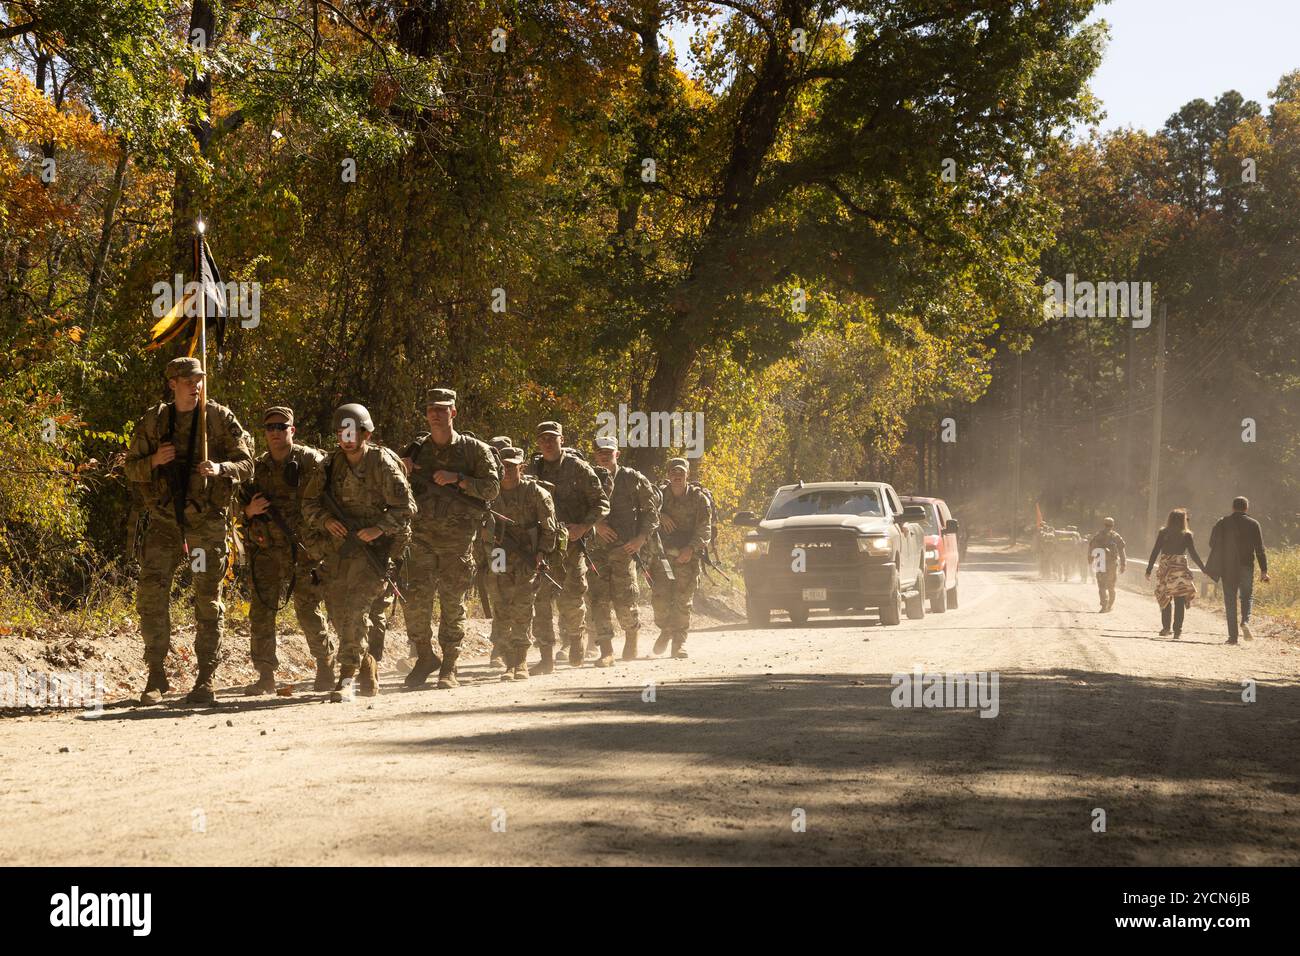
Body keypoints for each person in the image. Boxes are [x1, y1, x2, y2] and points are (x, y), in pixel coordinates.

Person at [125, 357, 254, 706]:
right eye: (187, 381)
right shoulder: (155, 420)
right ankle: (156, 674)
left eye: (198, 379)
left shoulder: (218, 418)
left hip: (204, 524)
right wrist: (154, 461)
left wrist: (221, 467)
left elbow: (247, 463)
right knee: (152, 594)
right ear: (172, 384)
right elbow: (130, 468)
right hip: (165, 523)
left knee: (207, 598)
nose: (195, 386)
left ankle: (206, 678)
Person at [301, 403, 414, 702]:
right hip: (339, 551)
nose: (347, 438)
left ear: (366, 433)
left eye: (353, 431)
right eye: (342, 432)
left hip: (374, 552)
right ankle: (366, 664)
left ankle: (346, 678)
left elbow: (406, 508)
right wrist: (325, 520)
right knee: (338, 615)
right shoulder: (329, 465)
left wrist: (378, 528)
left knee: (355, 611)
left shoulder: (382, 462)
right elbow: (308, 504)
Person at [399, 388, 501, 689]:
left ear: (453, 412)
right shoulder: (417, 449)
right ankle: (425, 656)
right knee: (415, 602)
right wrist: (402, 471)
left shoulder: (473, 450)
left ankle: (450, 665)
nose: (436, 414)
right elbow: (395, 489)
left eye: (442, 409)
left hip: (457, 541)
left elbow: (493, 488)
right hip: (420, 539)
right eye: (431, 409)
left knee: (452, 603)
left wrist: (458, 479)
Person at [238, 406, 332, 693]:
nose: (276, 432)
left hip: (303, 550)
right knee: (262, 612)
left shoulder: (311, 461)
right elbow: (232, 502)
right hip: (266, 549)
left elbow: (332, 495)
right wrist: (248, 510)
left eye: (282, 427)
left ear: (293, 430)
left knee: (307, 610)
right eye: (270, 428)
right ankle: (266, 675)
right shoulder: (257, 467)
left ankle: (326, 666)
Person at [526, 421, 608, 673]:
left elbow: (602, 504)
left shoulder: (579, 469)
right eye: (543, 439)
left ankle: (575, 639)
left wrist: (583, 527)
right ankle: (547, 657)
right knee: (540, 600)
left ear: (562, 439)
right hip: (543, 545)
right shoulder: (534, 469)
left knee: (572, 597)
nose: (548, 443)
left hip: (572, 544)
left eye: (552, 438)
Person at [487, 446, 559, 680]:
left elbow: (550, 529)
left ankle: (520, 661)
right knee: (501, 605)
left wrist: (541, 553)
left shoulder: (536, 493)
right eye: (503, 466)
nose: (507, 470)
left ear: (522, 467)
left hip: (528, 556)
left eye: (511, 465)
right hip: (500, 555)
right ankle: (508, 660)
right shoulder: (491, 493)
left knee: (522, 606)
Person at [588, 436, 660, 665]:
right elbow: (574, 509)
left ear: (617, 454)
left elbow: (651, 513)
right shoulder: (587, 478)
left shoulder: (632, 479)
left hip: (624, 549)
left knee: (625, 598)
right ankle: (606, 651)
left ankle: (631, 638)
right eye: (600, 451)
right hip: (595, 549)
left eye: (609, 451)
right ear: (595, 454)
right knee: (598, 599)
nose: (604, 455)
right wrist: (595, 525)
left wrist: (640, 539)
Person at [651, 458, 712, 658]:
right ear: (668, 475)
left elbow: (705, 529)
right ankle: (666, 629)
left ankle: (679, 644)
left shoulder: (699, 499)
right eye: (673, 472)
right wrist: (660, 515)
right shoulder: (658, 496)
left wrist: (691, 549)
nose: (677, 476)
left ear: (687, 475)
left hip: (687, 557)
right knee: (660, 599)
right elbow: (644, 513)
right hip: (663, 557)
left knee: (682, 601)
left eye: (681, 473)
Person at [1207, 496, 1270, 645]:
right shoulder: (1254, 524)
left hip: (1228, 567)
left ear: (1233, 507)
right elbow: (1260, 549)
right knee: (1247, 597)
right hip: (1246, 566)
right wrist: (1264, 570)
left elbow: (1211, 543)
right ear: (1246, 508)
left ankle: (1232, 637)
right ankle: (1245, 621)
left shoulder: (1222, 523)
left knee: (1230, 601)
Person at [1144, 508, 1206, 639]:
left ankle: (1166, 628)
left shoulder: (1163, 532)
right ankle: (1177, 630)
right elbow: (1193, 553)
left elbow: (1155, 551)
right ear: (1183, 520)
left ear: (1170, 519)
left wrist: (1149, 569)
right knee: (1179, 599)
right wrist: (1203, 568)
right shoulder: (1187, 534)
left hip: (1165, 568)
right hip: (1180, 568)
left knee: (1165, 596)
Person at [1088, 517, 1127, 613]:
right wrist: (1123, 564)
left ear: (1104, 524)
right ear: (1113, 525)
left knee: (1101, 585)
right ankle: (1109, 605)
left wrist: (1090, 559)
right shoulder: (1116, 536)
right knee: (1111, 585)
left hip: (1100, 562)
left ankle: (1104, 605)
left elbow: (1091, 547)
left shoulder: (1098, 535)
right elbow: (1122, 551)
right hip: (1112, 564)